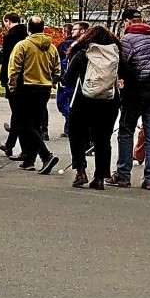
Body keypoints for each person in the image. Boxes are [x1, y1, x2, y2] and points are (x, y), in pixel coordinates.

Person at [62, 25, 129, 189]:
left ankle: (80, 171)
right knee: (103, 138)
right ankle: (100, 177)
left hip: (83, 100)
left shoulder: (83, 54)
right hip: (109, 101)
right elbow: (128, 73)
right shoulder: (115, 54)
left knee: (76, 134)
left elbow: (68, 79)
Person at [114, 8, 150, 190]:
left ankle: (123, 175)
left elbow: (121, 64)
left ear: (128, 22)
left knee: (126, 131)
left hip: (134, 92)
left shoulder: (128, 40)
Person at [6, 16, 60, 173]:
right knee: (35, 124)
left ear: (28, 29)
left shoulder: (23, 45)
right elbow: (57, 69)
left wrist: (12, 86)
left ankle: (46, 155)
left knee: (24, 124)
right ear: (43, 28)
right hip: (44, 89)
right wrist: (52, 81)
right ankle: (29, 159)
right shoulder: (51, 47)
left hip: (26, 88)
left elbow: (14, 68)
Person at [0, 13, 27, 157]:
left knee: (18, 113)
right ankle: (10, 144)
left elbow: (8, 61)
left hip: (14, 78)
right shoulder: (27, 35)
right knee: (18, 113)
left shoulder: (10, 38)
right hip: (28, 78)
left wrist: (3, 78)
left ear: (8, 21)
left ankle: (21, 148)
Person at [55, 21, 89, 140]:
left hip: (72, 80)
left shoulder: (74, 46)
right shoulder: (88, 45)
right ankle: (69, 127)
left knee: (65, 103)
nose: (71, 32)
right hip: (81, 82)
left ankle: (72, 127)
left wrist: (62, 77)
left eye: (74, 29)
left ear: (82, 31)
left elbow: (64, 63)